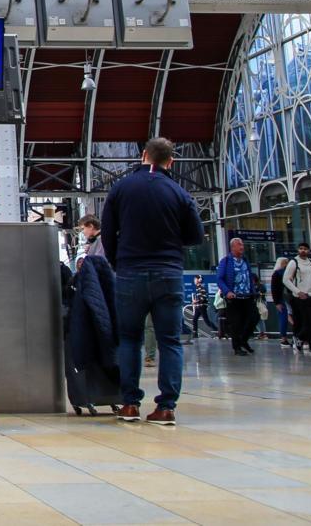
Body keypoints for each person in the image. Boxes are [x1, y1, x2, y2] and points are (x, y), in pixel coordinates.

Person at [101, 137, 203, 426]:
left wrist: (117, 262)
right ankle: (166, 407)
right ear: (171, 162)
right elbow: (195, 236)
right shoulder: (179, 192)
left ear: (144, 155)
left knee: (130, 340)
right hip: (169, 272)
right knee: (170, 341)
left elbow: (108, 233)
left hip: (130, 272)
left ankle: (130, 403)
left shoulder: (120, 189)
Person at [217, 238, 258, 356]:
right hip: (234, 298)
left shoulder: (245, 260)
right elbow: (219, 279)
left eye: (242, 244)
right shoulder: (226, 261)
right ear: (232, 247)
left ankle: (243, 340)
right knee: (236, 323)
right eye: (239, 244)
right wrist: (227, 291)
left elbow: (249, 277)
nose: (242, 246)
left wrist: (253, 291)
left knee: (254, 318)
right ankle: (237, 347)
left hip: (247, 296)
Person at [284, 243, 311, 355]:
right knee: (307, 321)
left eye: (305, 249)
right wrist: (298, 291)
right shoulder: (294, 262)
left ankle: (301, 339)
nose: (303, 251)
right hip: (300, 297)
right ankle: (310, 345)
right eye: (301, 249)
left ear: (309, 250)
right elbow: (286, 280)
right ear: (298, 250)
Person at [188, 274, 218, 343]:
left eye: (195, 279)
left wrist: (196, 301)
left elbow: (203, 298)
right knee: (195, 319)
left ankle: (217, 331)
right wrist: (196, 302)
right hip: (199, 306)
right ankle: (195, 334)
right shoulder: (198, 288)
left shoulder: (201, 288)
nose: (194, 281)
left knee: (206, 321)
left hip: (202, 306)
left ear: (199, 280)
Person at [271, 257, 291, 346]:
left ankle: (284, 338)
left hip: (281, 299)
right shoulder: (285, 273)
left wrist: (276, 302)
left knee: (283, 318)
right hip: (287, 298)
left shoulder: (276, 273)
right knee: (286, 318)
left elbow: (274, 289)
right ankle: (285, 338)